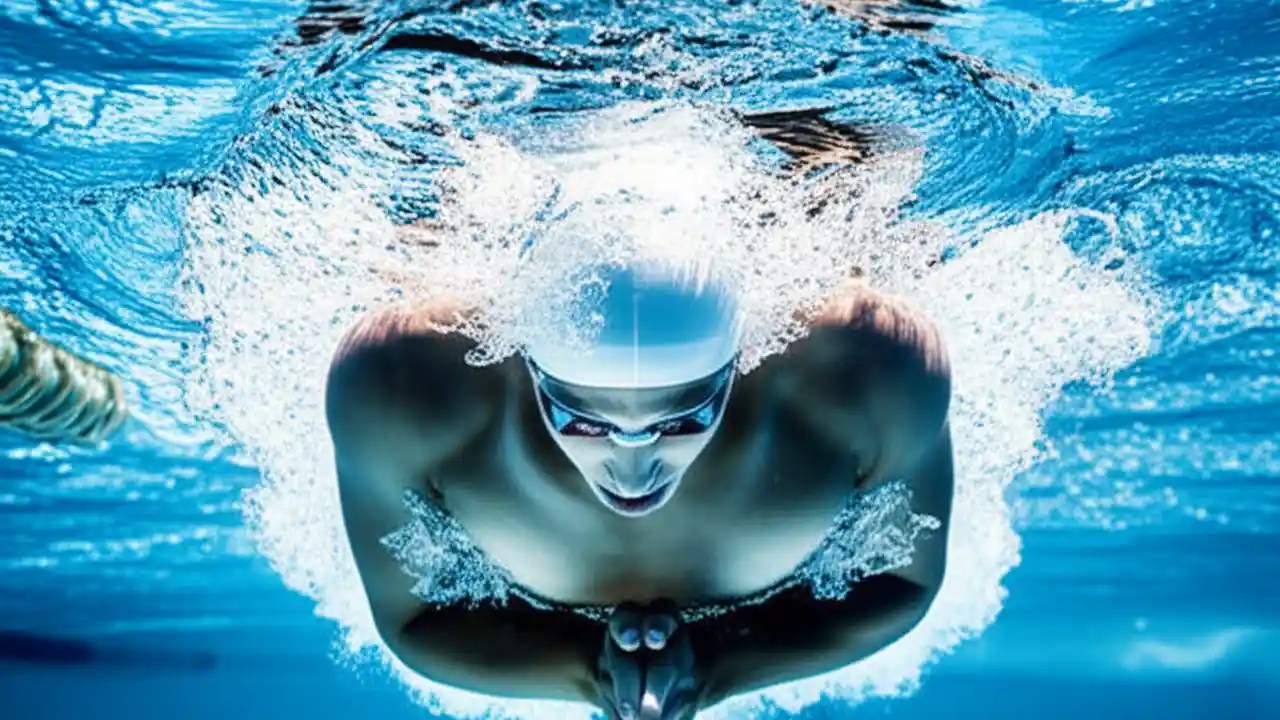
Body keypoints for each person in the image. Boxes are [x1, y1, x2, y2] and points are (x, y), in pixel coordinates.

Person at [326, 167, 953, 717]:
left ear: (741, 363)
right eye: (584, 423)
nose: (633, 471)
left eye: (679, 423)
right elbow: (409, 620)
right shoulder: (404, 393)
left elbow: (905, 584)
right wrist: (594, 670)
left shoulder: (867, 378)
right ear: (526, 368)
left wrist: (714, 667)